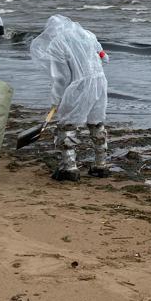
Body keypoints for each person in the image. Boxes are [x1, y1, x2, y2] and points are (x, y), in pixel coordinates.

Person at [30, 14, 111, 182]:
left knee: (67, 125)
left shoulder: (58, 43)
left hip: (79, 86)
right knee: (96, 122)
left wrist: (56, 99)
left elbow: (61, 78)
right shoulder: (88, 35)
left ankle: (70, 168)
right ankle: (101, 165)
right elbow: (104, 57)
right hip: (99, 82)